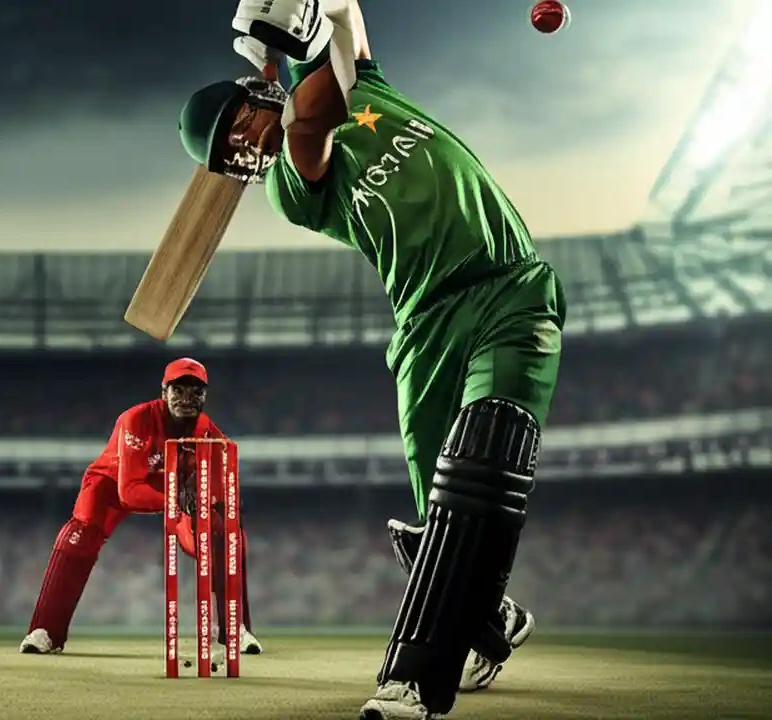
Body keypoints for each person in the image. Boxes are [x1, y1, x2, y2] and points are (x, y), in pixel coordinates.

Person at [178, 0, 565, 717]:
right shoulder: (294, 182)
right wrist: (278, 54)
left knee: (485, 459)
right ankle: (489, 617)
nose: (242, 151)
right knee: (442, 508)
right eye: (230, 154)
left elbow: (344, 14)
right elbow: (313, 114)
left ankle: (415, 679)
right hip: (425, 327)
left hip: (510, 287)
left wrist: (295, 19)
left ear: (242, 102)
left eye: (234, 133)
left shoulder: (369, 88)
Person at [19, 357, 263, 656]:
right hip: (112, 484)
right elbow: (131, 492)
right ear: (164, 392)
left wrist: (209, 512)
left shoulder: (211, 435)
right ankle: (46, 631)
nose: (186, 399)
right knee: (79, 535)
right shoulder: (136, 420)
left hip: (173, 494)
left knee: (228, 536)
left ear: (204, 397)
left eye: (195, 392)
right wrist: (177, 501)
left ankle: (234, 629)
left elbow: (221, 496)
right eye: (178, 390)